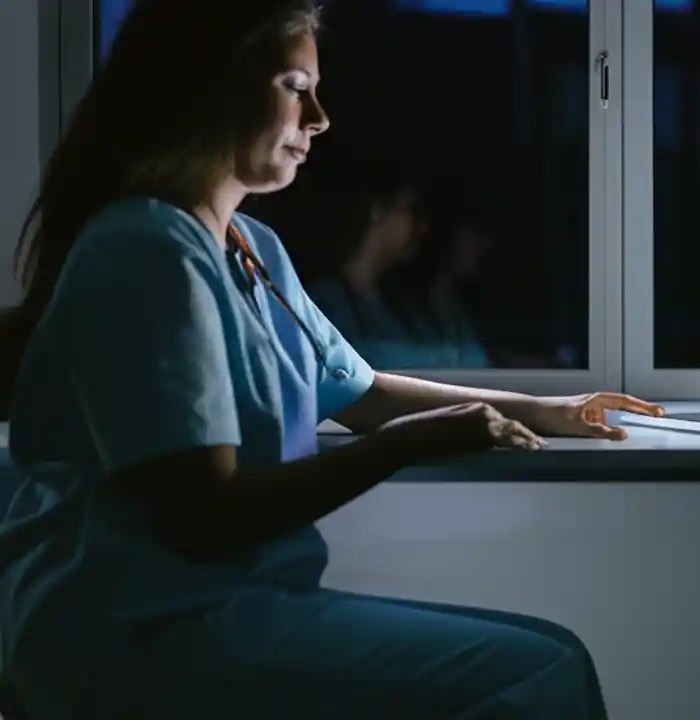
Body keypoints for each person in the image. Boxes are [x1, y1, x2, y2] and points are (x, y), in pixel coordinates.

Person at [0, 1, 662, 718]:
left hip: (238, 606)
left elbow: (361, 391)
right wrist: (412, 443)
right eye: (296, 88)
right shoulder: (142, 250)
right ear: (214, 87)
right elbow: (203, 515)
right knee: (540, 673)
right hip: (141, 632)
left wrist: (547, 409)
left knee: (549, 655)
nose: (318, 119)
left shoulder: (252, 248)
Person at [305, 180, 493, 369]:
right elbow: (346, 360)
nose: (422, 228)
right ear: (379, 210)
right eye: (412, 211)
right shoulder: (324, 299)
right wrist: (452, 357)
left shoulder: (400, 307)